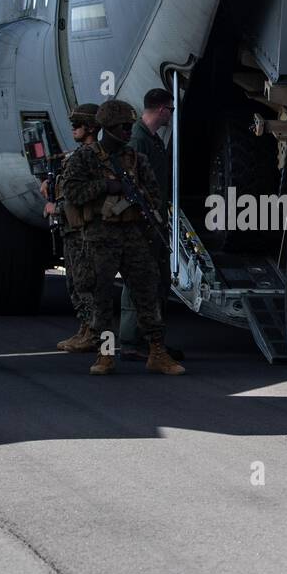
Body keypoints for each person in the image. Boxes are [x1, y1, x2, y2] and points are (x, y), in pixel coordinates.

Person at [63, 98, 186, 376]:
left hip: (133, 236)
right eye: (122, 127)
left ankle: (157, 352)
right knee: (102, 300)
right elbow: (72, 193)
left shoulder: (136, 159)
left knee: (147, 294)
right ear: (107, 128)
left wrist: (140, 202)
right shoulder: (85, 158)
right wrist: (107, 186)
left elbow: (154, 196)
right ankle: (105, 355)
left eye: (130, 127)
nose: (128, 132)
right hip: (100, 237)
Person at [119, 87, 178, 360]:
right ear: (162, 109)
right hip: (142, 223)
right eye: (171, 109)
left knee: (159, 281)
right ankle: (132, 340)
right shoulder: (137, 140)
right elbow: (130, 183)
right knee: (139, 279)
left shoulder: (152, 140)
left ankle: (152, 340)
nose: (172, 114)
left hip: (156, 221)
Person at [52, 102, 101, 353]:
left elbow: (82, 195)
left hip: (82, 229)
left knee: (84, 282)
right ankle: (85, 328)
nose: (72, 130)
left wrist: (56, 209)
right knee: (75, 282)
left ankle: (93, 333)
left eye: (76, 125)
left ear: (90, 127)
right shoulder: (82, 154)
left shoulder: (91, 156)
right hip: (72, 229)